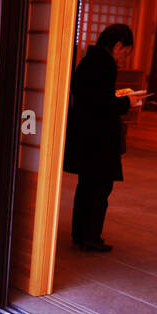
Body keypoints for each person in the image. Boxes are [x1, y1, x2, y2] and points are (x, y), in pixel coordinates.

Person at [64, 24, 144, 252]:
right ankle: (91, 237)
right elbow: (102, 105)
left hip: (85, 136)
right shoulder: (105, 65)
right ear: (118, 45)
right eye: (125, 52)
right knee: (99, 189)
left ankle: (80, 234)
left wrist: (117, 97)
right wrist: (127, 102)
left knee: (86, 187)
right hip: (99, 140)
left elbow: (92, 98)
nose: (125, 57)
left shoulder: (88, 61)